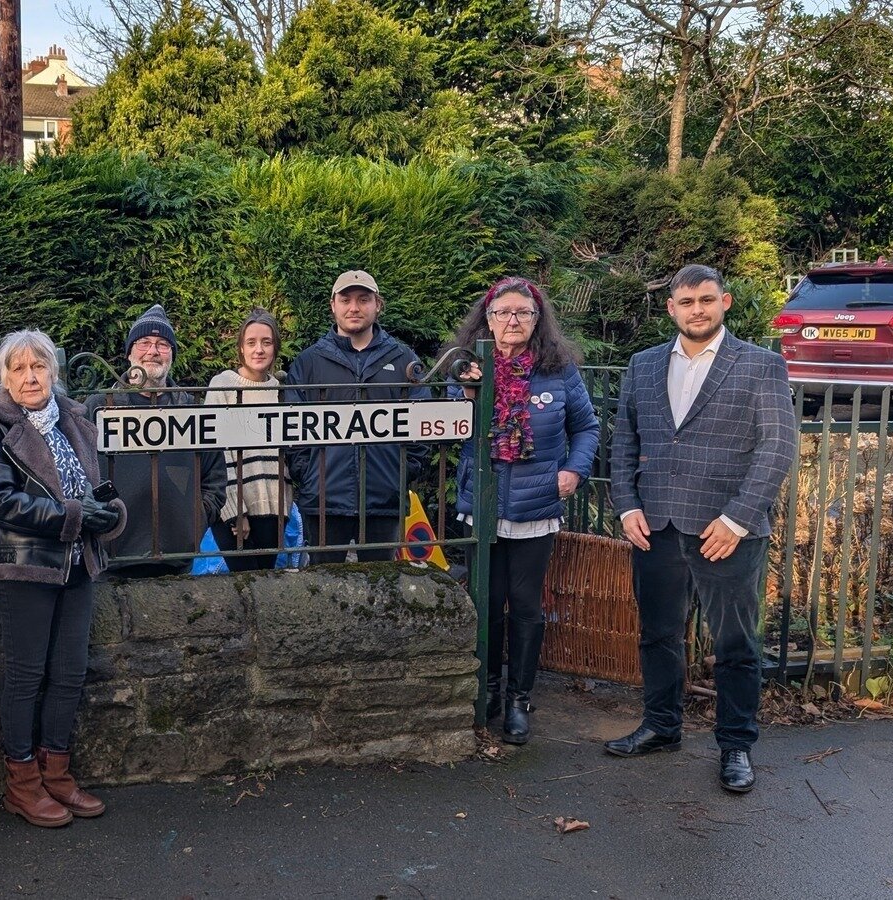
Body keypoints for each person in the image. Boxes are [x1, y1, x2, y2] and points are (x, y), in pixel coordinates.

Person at [605, 263, 797, 794]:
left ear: (725, 302)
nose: (697, 310)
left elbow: (777, 447)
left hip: (726, 531)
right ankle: (661, 726)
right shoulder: (643, 366)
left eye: (706, 300)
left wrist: (737, 518)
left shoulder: (760, 366)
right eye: (686, 302)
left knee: (735, 644)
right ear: (671, 308)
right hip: (656, 525)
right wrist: (626, 506)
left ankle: (736, 745)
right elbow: (623, 442)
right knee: (658, 635)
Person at [0, 329, 128, 827]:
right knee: (25, 677)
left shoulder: (77, 420)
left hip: (78, 563)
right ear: (5, 378)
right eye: (17, 369)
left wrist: (110, 510)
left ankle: (56, 775)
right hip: (24, 564)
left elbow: (95, 483)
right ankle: (22, 784)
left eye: (37, 367)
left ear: (52, 371)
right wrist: (77, 515)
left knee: (68, 674)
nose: (29, 377)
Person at [451, 277, 599, 744]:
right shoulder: (468, 368)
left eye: (522, 312)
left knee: (527, 608)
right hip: (486, 504)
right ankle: (489, 691)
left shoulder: (558, 372)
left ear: (538, 321)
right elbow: (450, 429)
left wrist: (574, 471)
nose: (512, 320)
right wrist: (469, 393)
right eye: (502, 312)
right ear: (487, 319)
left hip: (536, 505)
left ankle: (520, 698)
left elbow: (587, 428)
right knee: (488, 604)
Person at [283, 270, 429, 563]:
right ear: (332, 305)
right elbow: (291, 426)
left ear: (378, 305)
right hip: (324, 502)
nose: (354, 307)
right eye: (346, 299)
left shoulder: (403, 360)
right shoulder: (308, 362)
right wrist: (311, 475)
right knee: (324, 590)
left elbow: (423, 426)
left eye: (364, 299)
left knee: (379, 593)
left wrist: (399, 475)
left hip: (383, 501)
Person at [85, 304, 226, 578]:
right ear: (129, 354)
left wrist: (196, 517)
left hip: (176, 559)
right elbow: (78, 471)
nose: (153, 351)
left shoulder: (191, 411)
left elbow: (216, 478)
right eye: (144, 343)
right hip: (112, 559)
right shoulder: (100, 406)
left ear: (171, 354)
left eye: (162, 344)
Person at [203, 308, 293, 572]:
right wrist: (235, 510)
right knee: (244, 581)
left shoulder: (281, 391)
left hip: (276, 505)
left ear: (275, 347)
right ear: (241, 348)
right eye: (251, 343)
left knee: (264, 580)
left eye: (266, 342)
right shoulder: (222, 386)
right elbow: (217, 452)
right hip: (234, 506)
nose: (259, 350)